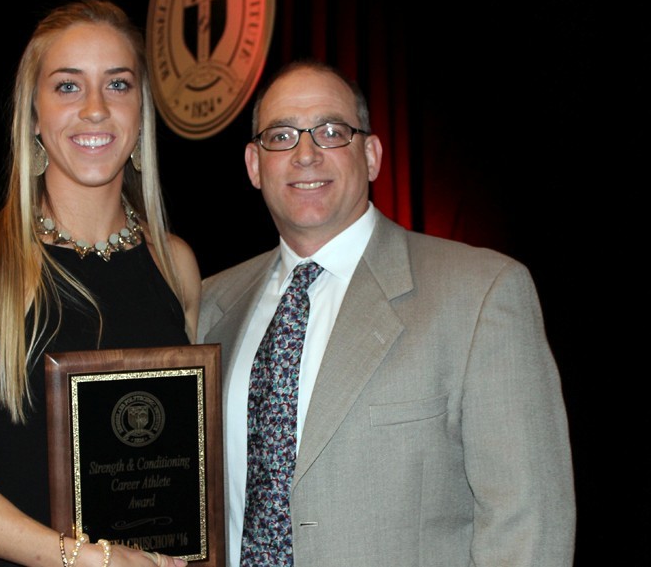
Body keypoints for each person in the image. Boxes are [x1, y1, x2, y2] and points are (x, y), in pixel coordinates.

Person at [198, 59, 575, 567]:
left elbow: (528, 524)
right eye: (281, 136)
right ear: (253, 164)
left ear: (371, 155)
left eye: (331, 132)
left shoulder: (482, 295)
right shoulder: (206, 307)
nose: (305, 154)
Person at [0, 0, 198, 567]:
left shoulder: (175, 263)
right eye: (66, 86)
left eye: (118, 84)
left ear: (141, 109)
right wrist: (87, 559)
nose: (95, 109)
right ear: (33, 114)